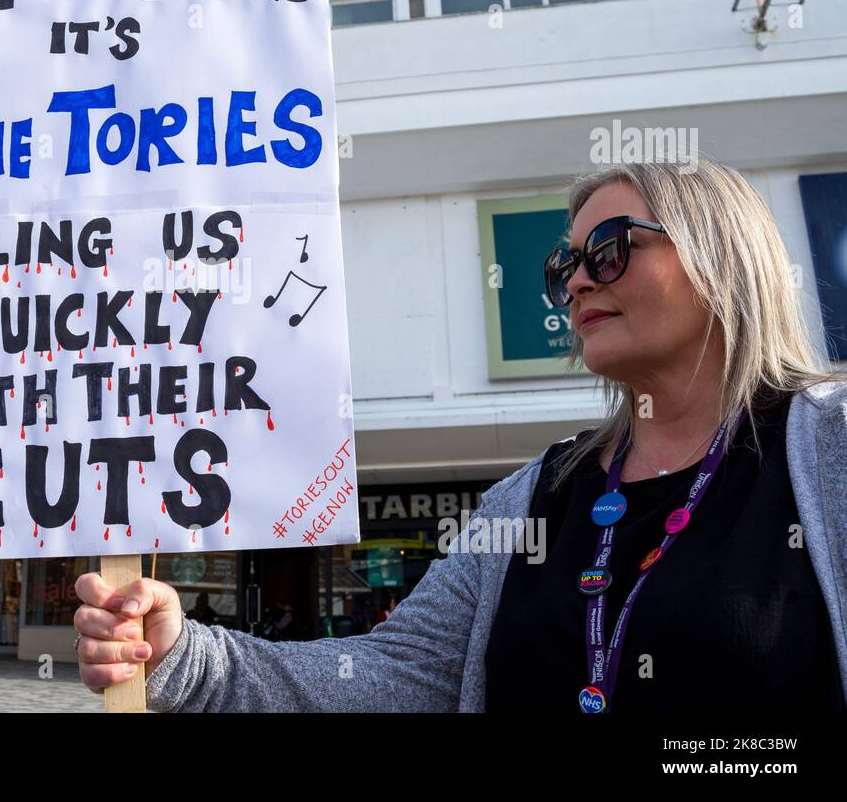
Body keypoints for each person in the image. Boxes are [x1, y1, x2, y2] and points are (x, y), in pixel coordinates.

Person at [72, 158, 847, 712]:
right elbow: (390, 673)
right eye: (564, 265)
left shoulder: (829, 449)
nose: (576, 280)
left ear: (723, 253)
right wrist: (184, 654)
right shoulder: (528, 499)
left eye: (608, 250)